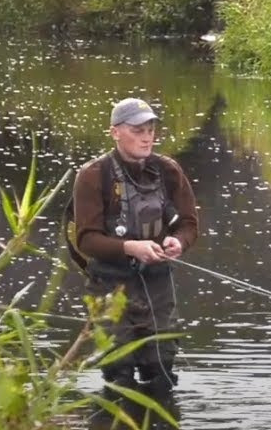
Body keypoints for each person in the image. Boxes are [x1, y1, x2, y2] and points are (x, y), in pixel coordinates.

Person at [70, 97, 200, 396]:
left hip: (157, 283)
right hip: (109, 285)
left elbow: (189, 224)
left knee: (162, 371)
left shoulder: (168, 171)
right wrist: (131, 247)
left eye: (151, 128)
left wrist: (177, 242)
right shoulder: (92, 175)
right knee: (120, 373)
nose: (147, 136)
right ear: (115, 132)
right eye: (138, 129)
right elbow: (86, 239)